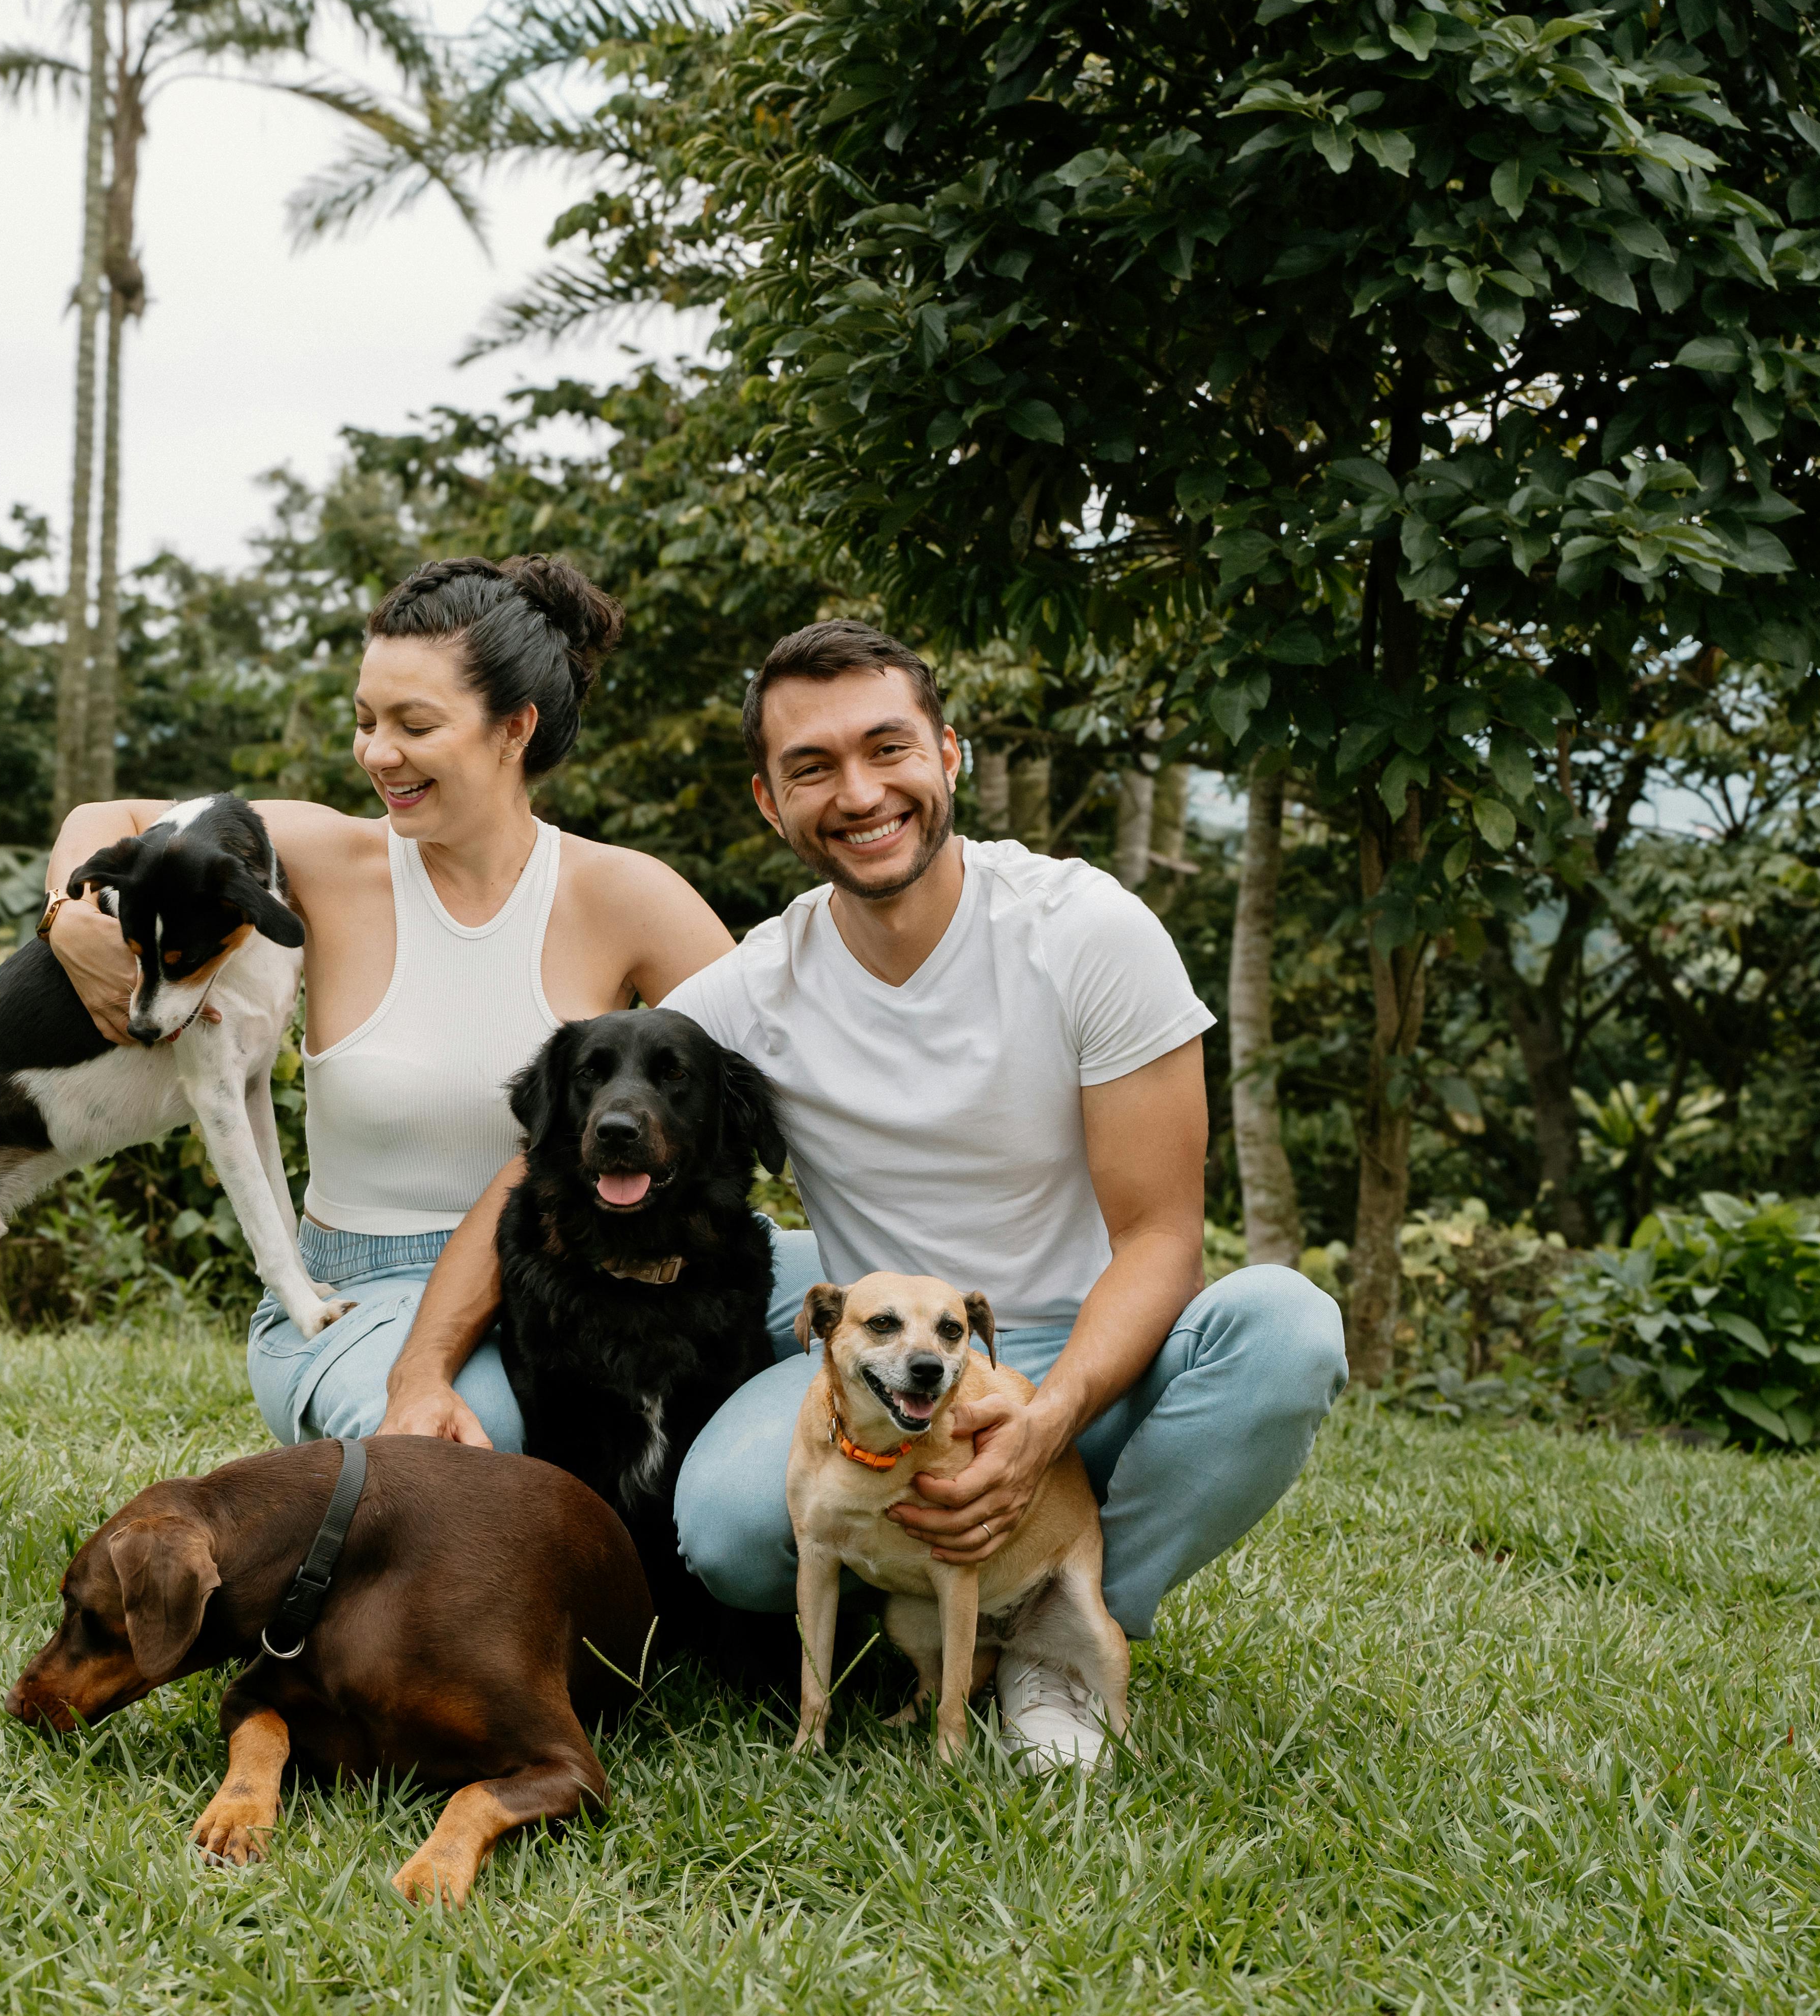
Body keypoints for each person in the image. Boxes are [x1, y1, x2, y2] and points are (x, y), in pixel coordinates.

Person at [379, 619, 1349, 1770]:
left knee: (1288, 1329)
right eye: (811, 767)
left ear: (949, 753)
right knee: (731, 1530)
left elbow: (1161, 1239)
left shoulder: (1085, 929)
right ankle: (929, 1621)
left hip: (1086, 1350)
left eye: (887, 747)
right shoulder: (756, 985)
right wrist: (421, 1371)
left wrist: (1041, 1426)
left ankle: (1054, 1628)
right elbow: (544, 1160)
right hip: (882, 1363)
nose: (859, 791)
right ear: (769, 802)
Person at [43, 554, 734, 1448]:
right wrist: (67, 916)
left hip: (578, 1272)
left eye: (413, 724)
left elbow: (779, 1063)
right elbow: (111, 819)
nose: (375, 753)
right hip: (363, 1296)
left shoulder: (626, 894)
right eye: (365, 720)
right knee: (469, 1460)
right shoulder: (324, 857)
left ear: (515, 727)